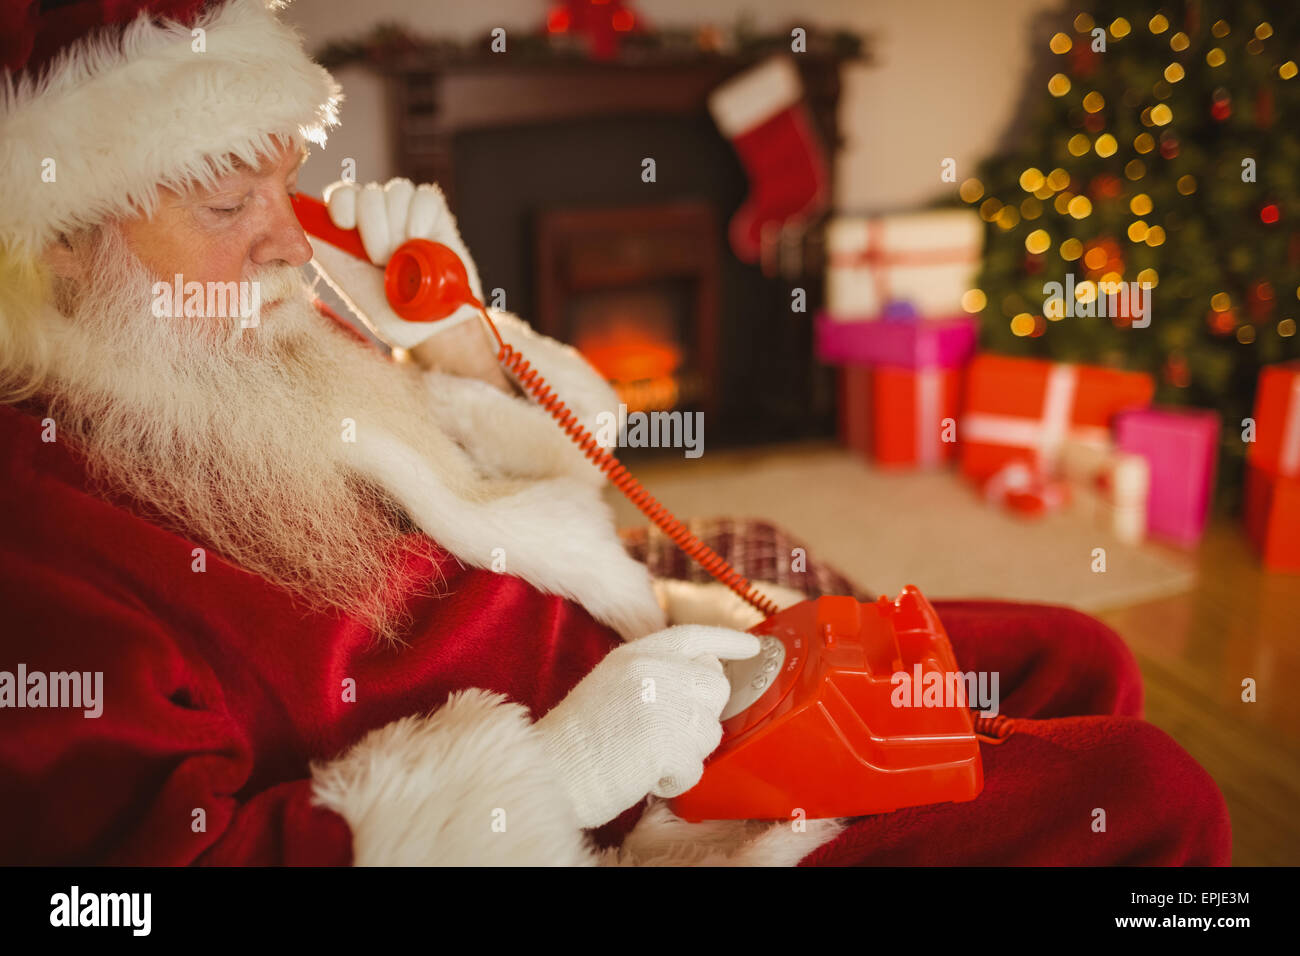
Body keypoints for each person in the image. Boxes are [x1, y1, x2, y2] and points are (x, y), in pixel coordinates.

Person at [0, 0, 1230, 866]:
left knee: (1071, 653)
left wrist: (470, 341)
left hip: (656, 661)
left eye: (282, 186)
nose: (286, 240)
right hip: (614, 819)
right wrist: (560, 773)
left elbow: (549, 459)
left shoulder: (247, 336)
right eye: (228, 202)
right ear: (63, 240)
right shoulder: (40, 545)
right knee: (1146, 794)